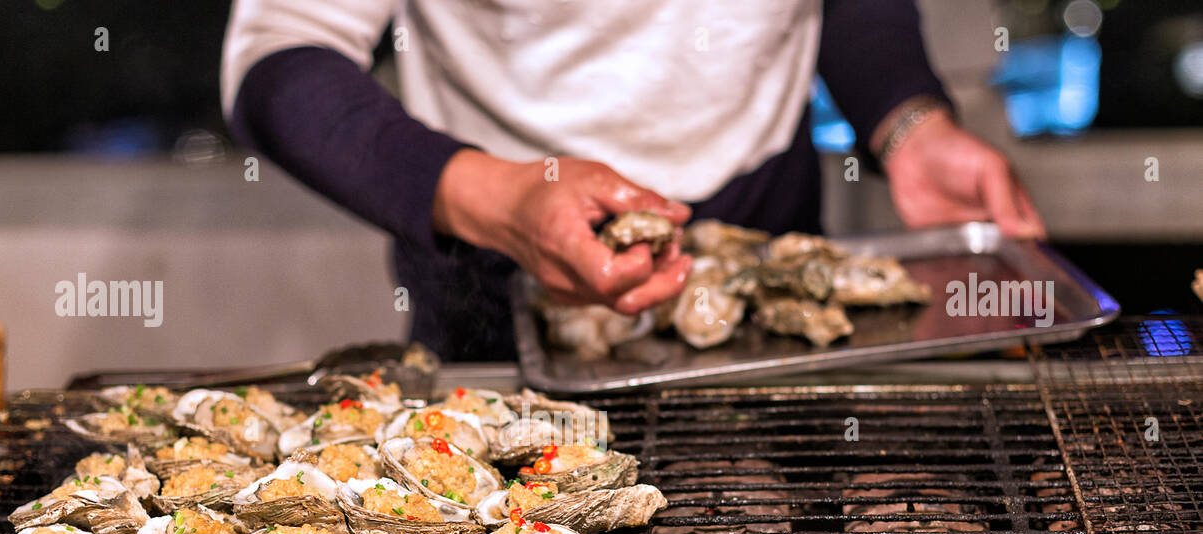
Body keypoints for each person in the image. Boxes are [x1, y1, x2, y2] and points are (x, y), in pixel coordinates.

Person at [222, 0, 1045, 361]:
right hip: (498, 257)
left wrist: (908, 123)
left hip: (767, 235)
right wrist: (501, 200)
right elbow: (277, 61)